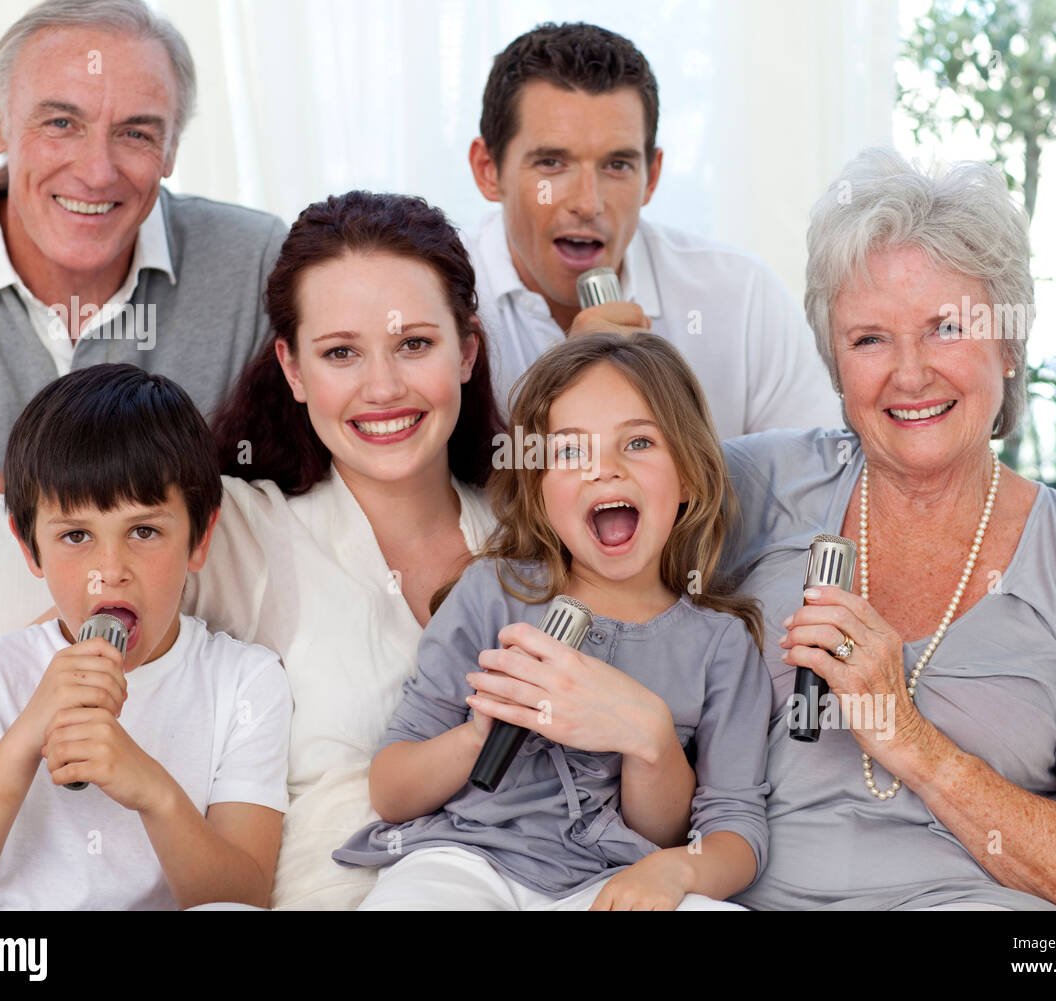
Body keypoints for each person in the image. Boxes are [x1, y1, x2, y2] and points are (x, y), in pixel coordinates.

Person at [723, 149, 1056, 910]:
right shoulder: (755, 488)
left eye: (945, 328)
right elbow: (580, 523)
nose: (909, 373)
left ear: (1008, 345)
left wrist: (906, 733)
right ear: (836, 364)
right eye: (869, 338)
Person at [334, 332, 770, 910]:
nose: (605, 471)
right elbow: (391, 790)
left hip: (607, 880)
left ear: (689, 476)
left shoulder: (719, 645)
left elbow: (722, 832)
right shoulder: (494, 593)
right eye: (570, 453)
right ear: (539, 491)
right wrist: (476, 736)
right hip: (465, 860)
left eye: (638, 442)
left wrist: (652, 743)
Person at [182, 191, 504, 909]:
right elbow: (82, 582)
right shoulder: (242, 530)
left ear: (466, 350)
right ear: (293, 370)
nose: (382, 388)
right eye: (340, 354)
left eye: (414, 344)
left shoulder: (536, 534)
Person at [0, 364, 292, 910]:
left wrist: (152, 791)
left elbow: (241, 899)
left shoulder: (245, 682)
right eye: (76, 536)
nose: (109, 570)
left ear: (199, 539)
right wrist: (25, 736)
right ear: (29, 547)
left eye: (144, 531)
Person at [0, 0, 287, 489]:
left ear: (171, 150)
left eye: (136, 133)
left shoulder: (257, 263)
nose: (97, 173)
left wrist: (15, 506)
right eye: (61, 123)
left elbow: (291, 512)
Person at [465, 22, 842, 439]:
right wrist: (569, 379)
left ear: (652, 176)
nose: (588, 203)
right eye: (552, 163)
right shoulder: (439, 305)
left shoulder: (741, 297)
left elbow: (816, 484)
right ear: (488, 170)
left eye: (617, 165)